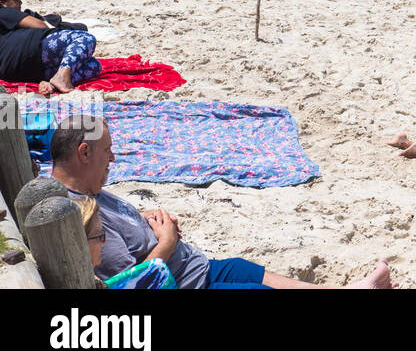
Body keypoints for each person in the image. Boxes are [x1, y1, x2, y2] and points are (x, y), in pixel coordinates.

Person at [51, 116, 394, 288]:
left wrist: (139, 218)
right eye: (107, 151)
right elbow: (132, 282)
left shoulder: (78, 188)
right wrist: (167, 241)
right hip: (186, 281)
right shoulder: (83, 215)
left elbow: (117, 232)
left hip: (192, 267)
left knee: (255, 273)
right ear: (84, 152)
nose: (113, 158)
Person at [0, 0, 99, 92]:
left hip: (18, 71)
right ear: (2, 2)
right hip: (32, 50)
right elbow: (40, 25)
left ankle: (53, 83)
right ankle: (61, 78)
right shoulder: (4, 11)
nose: (20, 3)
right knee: (85, 37)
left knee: (94, 65)